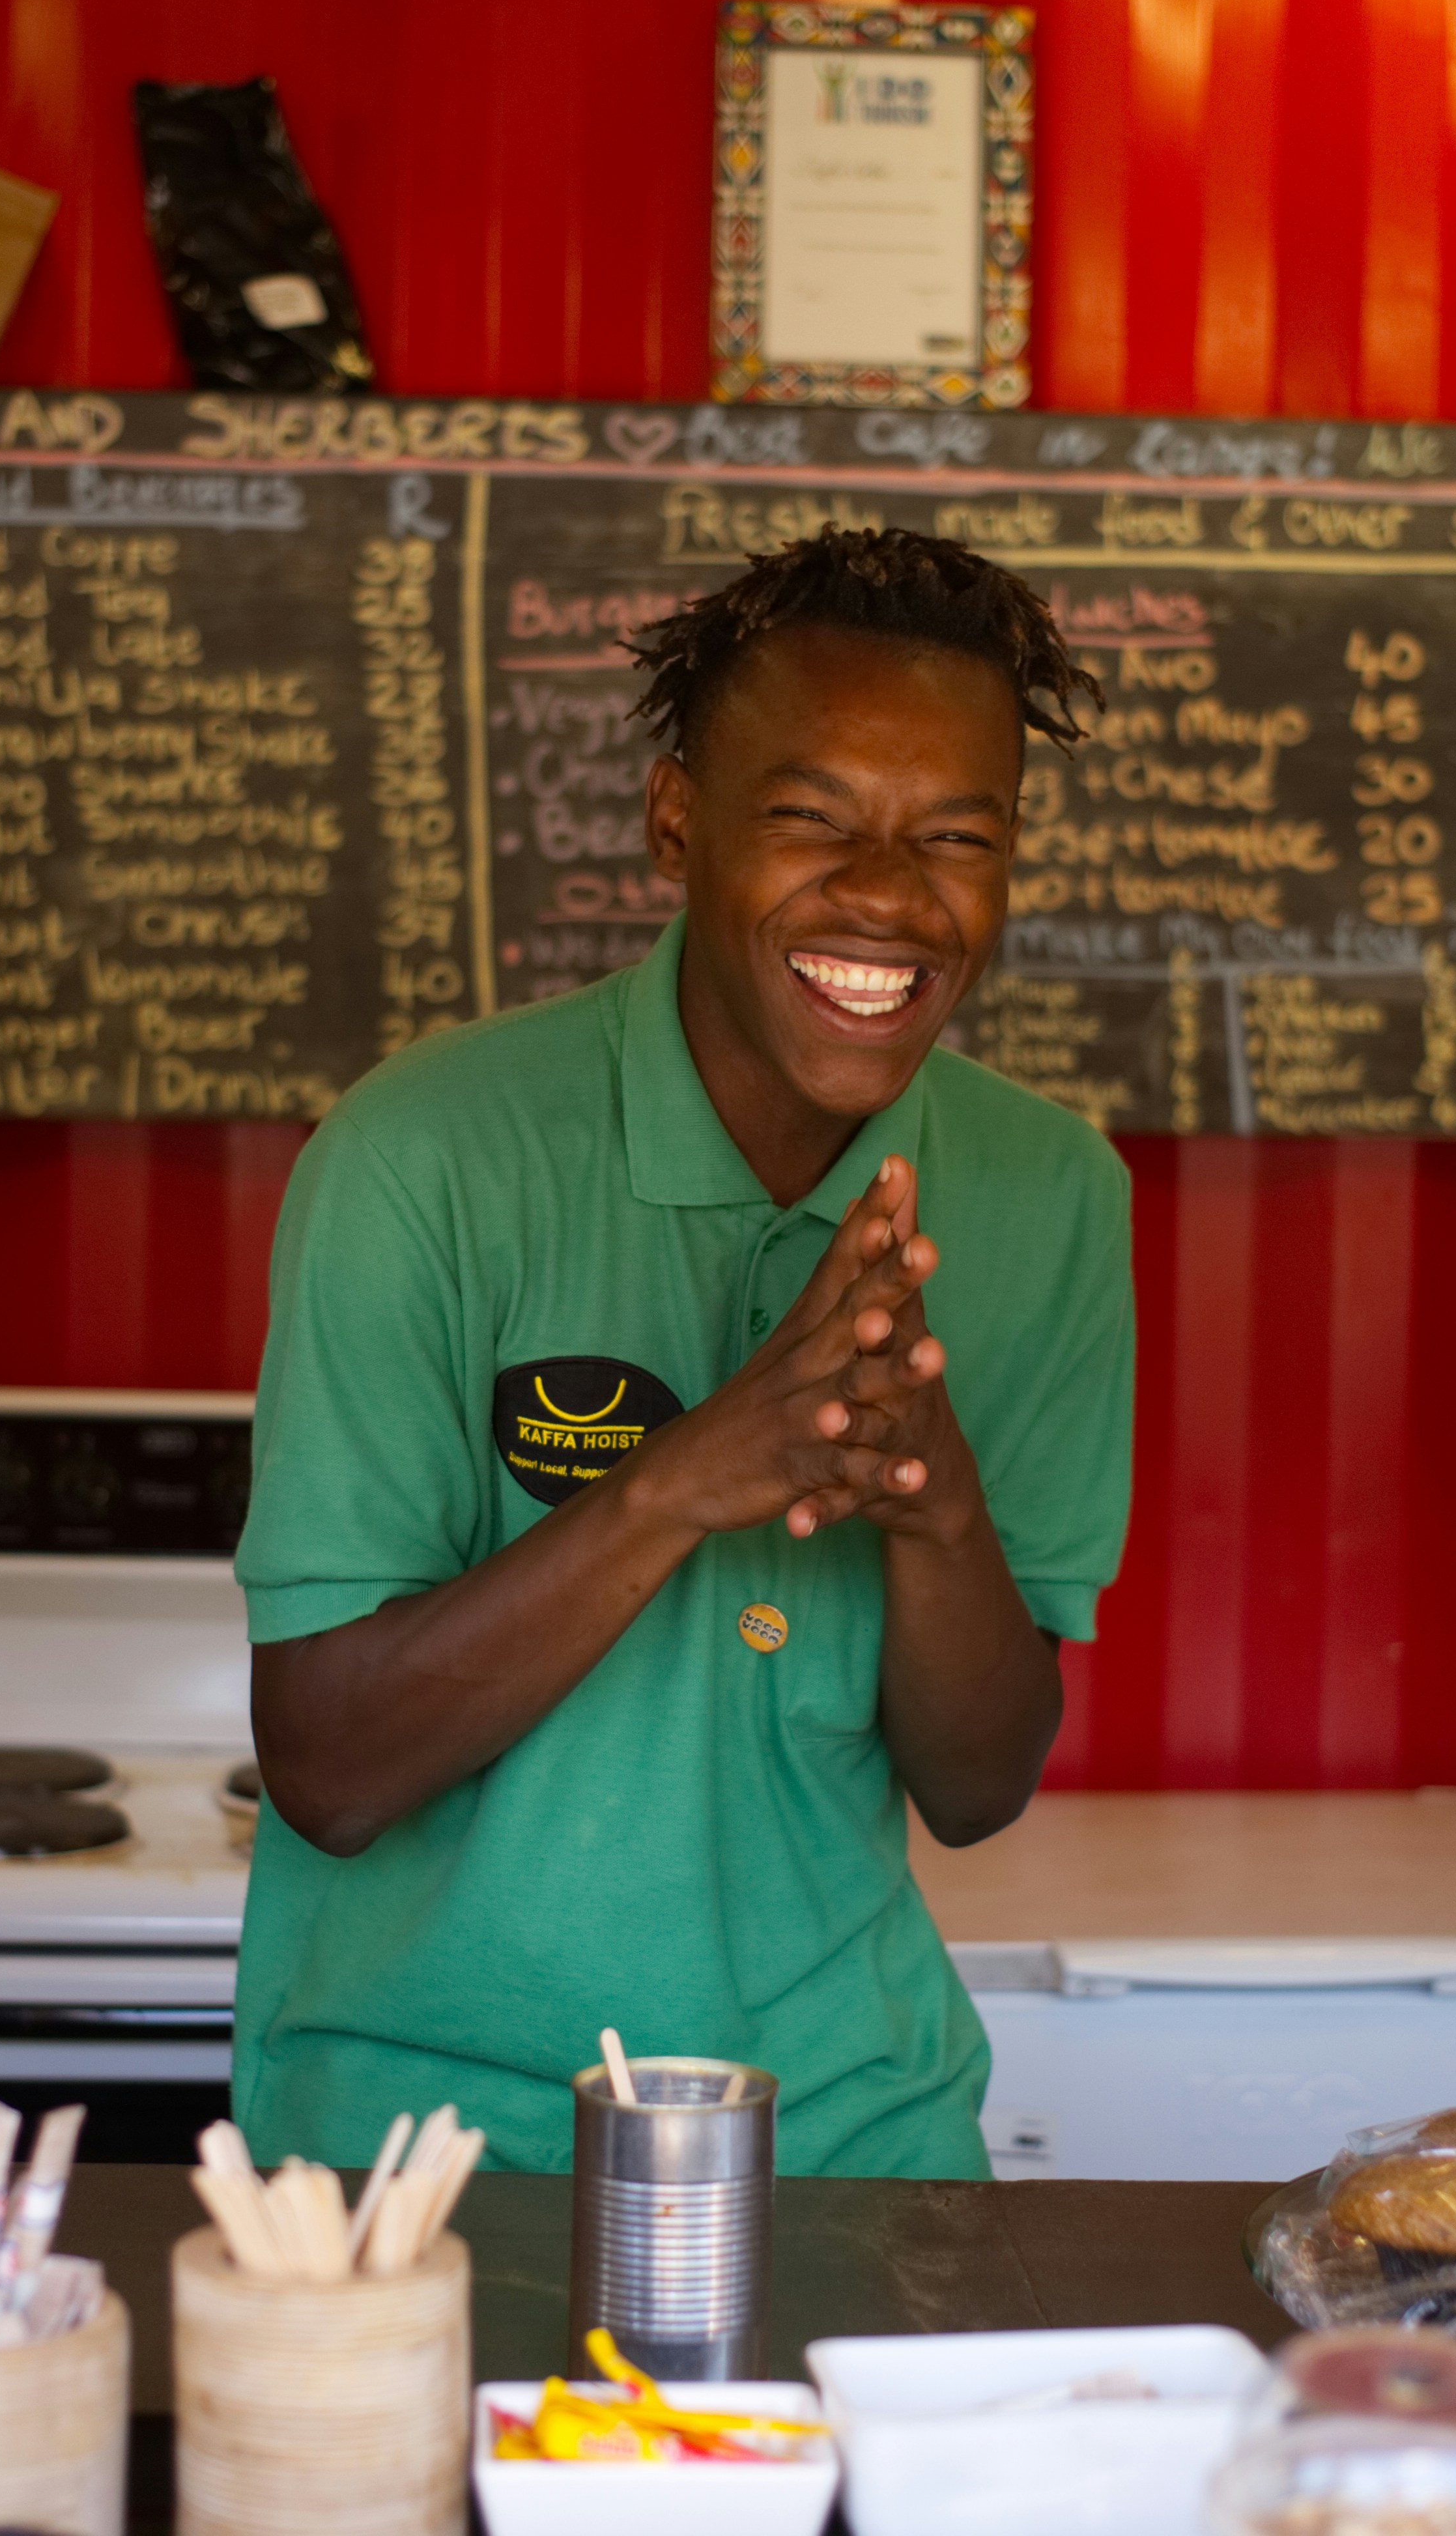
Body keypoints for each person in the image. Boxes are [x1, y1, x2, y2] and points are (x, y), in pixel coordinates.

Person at [230, 527, 1135, 2178]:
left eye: (955, 834)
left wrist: (932, 1511)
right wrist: (680, 1481)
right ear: (674, 823)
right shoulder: (417, 1159)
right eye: (809, 819)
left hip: (849, 2142)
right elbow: (329, 1767)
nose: (884, 893)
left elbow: (977, 1785)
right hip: (424, 2156)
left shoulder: (1050, 1194)